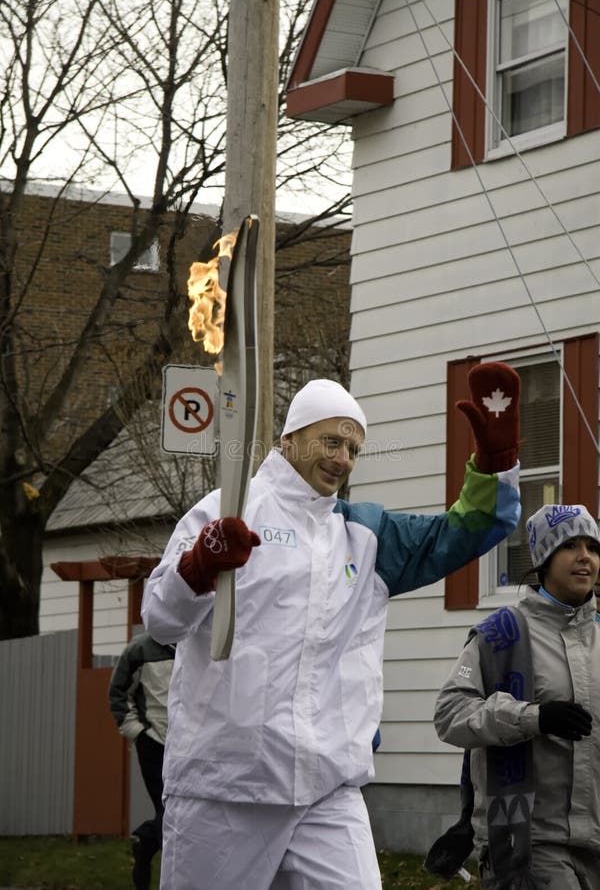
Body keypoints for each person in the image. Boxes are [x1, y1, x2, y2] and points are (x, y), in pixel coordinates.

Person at [142, 364, 521, 890]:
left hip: (327, 788)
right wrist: (198, 566)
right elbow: (161, 620)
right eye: (331, 440)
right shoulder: (225, 511)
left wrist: (495, 463)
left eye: (354, 449)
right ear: (291, 437)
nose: (342, 458)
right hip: (225, 787)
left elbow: (465, 530)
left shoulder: (365, 534)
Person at [434, 504, 600, 889]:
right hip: (530, 846)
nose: (584, 557)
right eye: (570, 546)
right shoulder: (500, 634)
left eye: (592, 547)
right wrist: (533, 718)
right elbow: (450, 712)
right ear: (543, 558)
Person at [108, 631, 175, 890]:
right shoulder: (140, 649)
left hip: (193, 747)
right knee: (173, 812)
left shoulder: (198, 642)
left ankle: (145, 841)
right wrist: (138, 734)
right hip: (155, 745)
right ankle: (148, 845)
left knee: (180, 813)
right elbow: (117, 694)